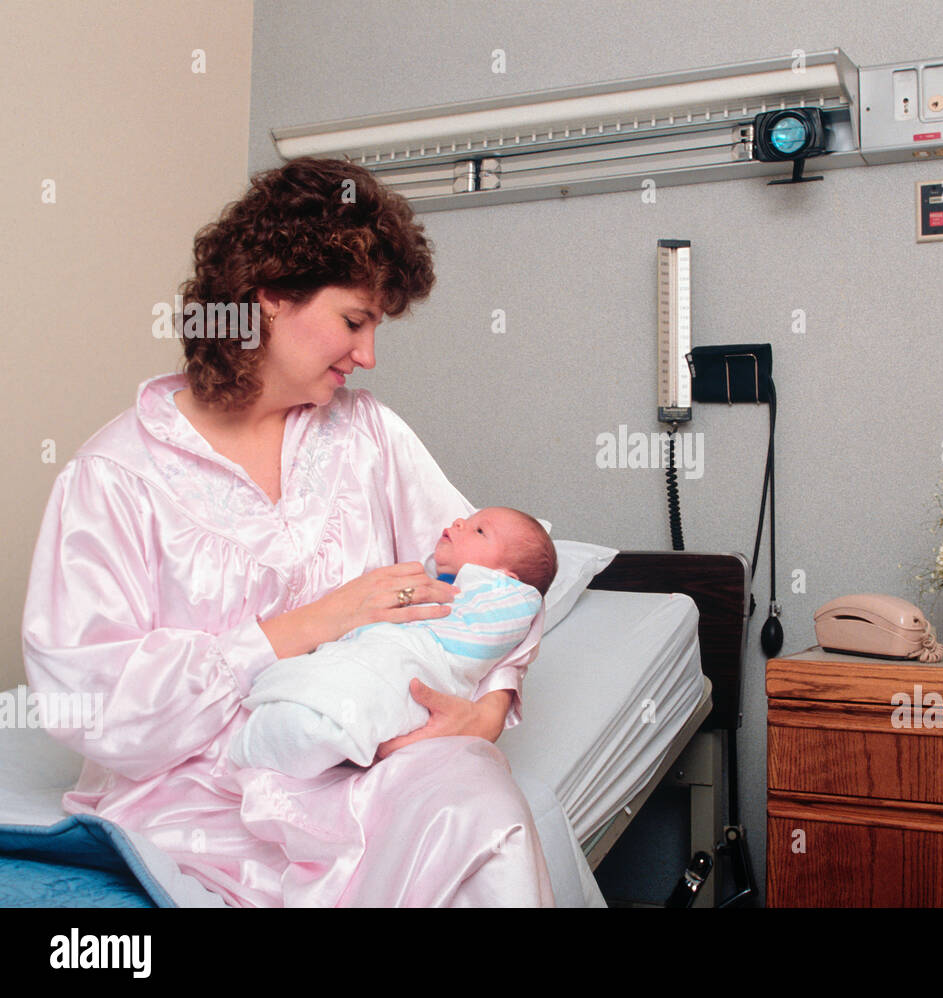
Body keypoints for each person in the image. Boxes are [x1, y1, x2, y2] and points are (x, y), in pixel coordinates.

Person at [22, 158, 555, 907]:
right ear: (270, 299)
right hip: (193, 795)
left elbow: (501, 579)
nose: (368, 356)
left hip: (367, 765)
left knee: (480, 815)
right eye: (355, 321)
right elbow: (91, 698)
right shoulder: (116, 476)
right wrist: (308, 625)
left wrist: (486, 713)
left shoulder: (369, 436)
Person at [230, 508, 558, 779]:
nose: (459, 522)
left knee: (373, 683)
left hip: (419, 663)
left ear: (504, 580)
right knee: (329, 670)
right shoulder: (437, 581)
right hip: (359, 646)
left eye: (479, 531)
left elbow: (524, 604)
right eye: (468, 520)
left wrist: (488, 718)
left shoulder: (504, 603)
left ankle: (307, 732)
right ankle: (289, 719)